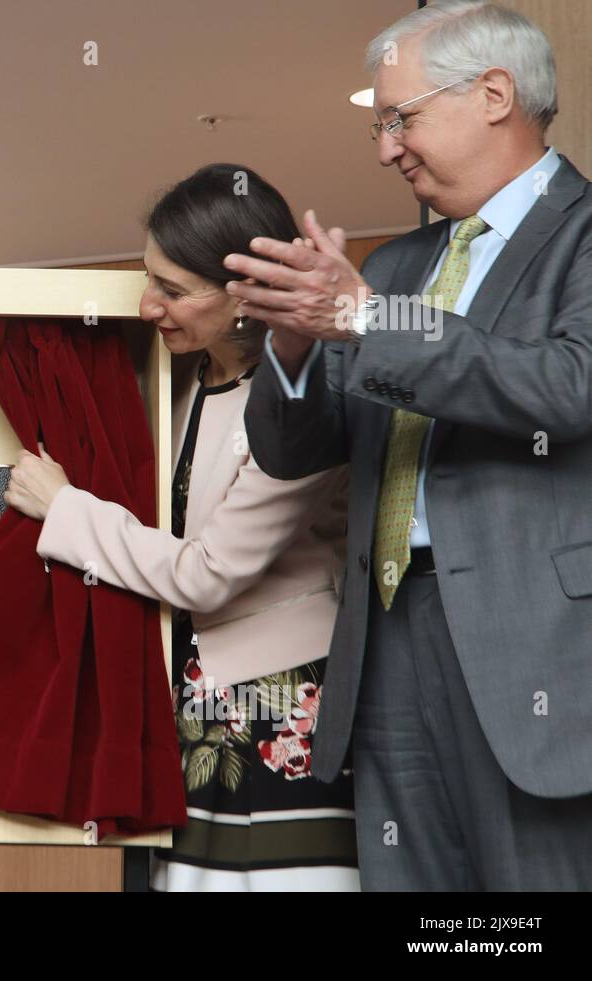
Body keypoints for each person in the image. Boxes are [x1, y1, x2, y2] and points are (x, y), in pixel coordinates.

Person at [234, 0, 592, 890]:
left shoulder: (584, 237)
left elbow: (565, 389)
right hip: (386, 638)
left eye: (402, 117)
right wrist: (291, 341)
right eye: (381, 125)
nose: (387, 147)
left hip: (532, 649)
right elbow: (294, 451)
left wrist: (360, 317)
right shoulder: (396, 265)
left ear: (495, 94)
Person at [5, 164, 357, 890]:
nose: (146, 304)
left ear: (242, 299)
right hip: (191, 699)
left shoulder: (300, 407)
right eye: (148, 279)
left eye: (170, 288)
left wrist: (65, 507)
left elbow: (206, 572)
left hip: (277, 705)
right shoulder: (182, 381)